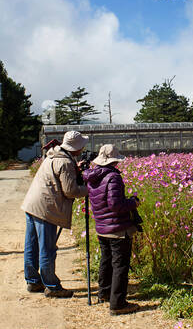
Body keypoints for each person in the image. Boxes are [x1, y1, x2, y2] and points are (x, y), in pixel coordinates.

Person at [21, 130, 89, 298]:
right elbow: (70, 191)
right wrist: (88, 189)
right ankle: (52, 286)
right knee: (47, 248)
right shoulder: (65, 162)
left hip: (32, 204)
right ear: (76, 149)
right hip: (46, 209)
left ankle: (32, 281)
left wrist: (75, 169)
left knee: (32, 245)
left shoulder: (53, 155)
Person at [83, 144, 141, 314]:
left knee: (106, 260)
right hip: (117, 228)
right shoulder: (113, 177)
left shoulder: (92, 177)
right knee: (120, 265)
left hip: (102, 227)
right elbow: (115, 205)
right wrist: (133, 203)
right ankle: (118, 304)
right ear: (114, 161)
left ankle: (104, 293)